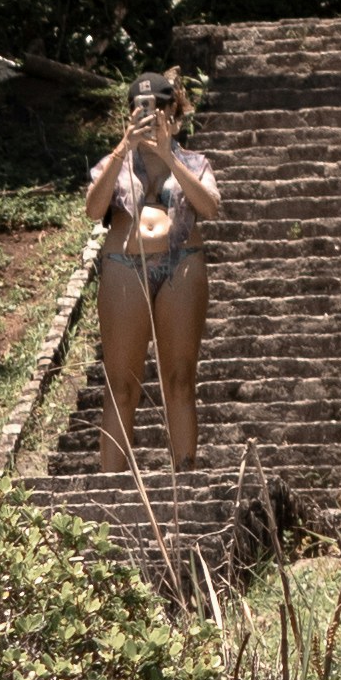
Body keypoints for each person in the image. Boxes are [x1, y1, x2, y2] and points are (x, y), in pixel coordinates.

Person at [84, 74, 222, 477]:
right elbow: (94, 209)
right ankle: (110, 485)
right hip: (125, 264)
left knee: (180, 379)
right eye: (140, 111)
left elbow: (210, 207)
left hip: (182, 261)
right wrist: (124, 147)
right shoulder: (115, 161)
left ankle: (186, 474)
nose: (148, 118)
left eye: (157, 111)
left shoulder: (194, 163)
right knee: (121, 384)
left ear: (173, 117)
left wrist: (168, 154)